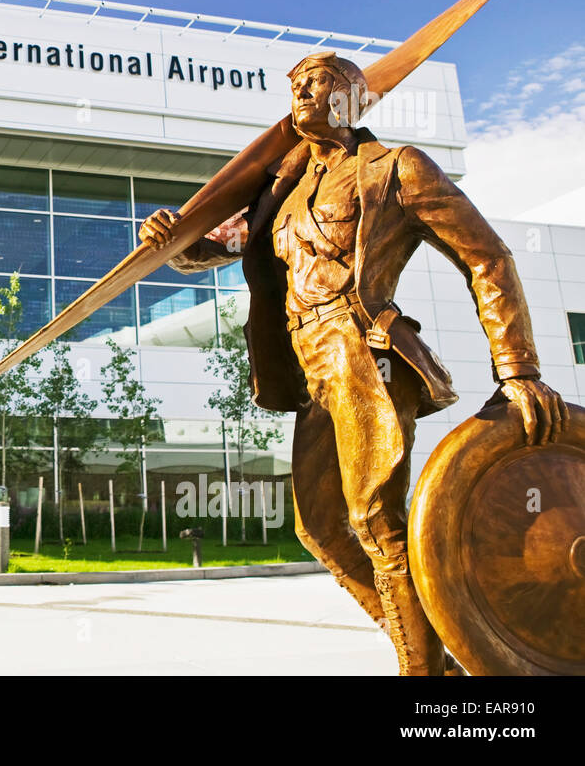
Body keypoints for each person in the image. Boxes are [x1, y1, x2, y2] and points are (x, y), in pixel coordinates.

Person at [139, 50, 566, 676]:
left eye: (318, 83)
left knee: (375, 519)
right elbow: (210, 247)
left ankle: (422, 676)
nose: (302, 92)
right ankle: (438, 659)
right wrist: (171, 239)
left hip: (367, 354)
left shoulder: (397, 169)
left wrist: (518, 367)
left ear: (352, 100)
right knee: (322, 529)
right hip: (310, 365)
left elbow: (488, 258)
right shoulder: (278, 195)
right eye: (295, 84)